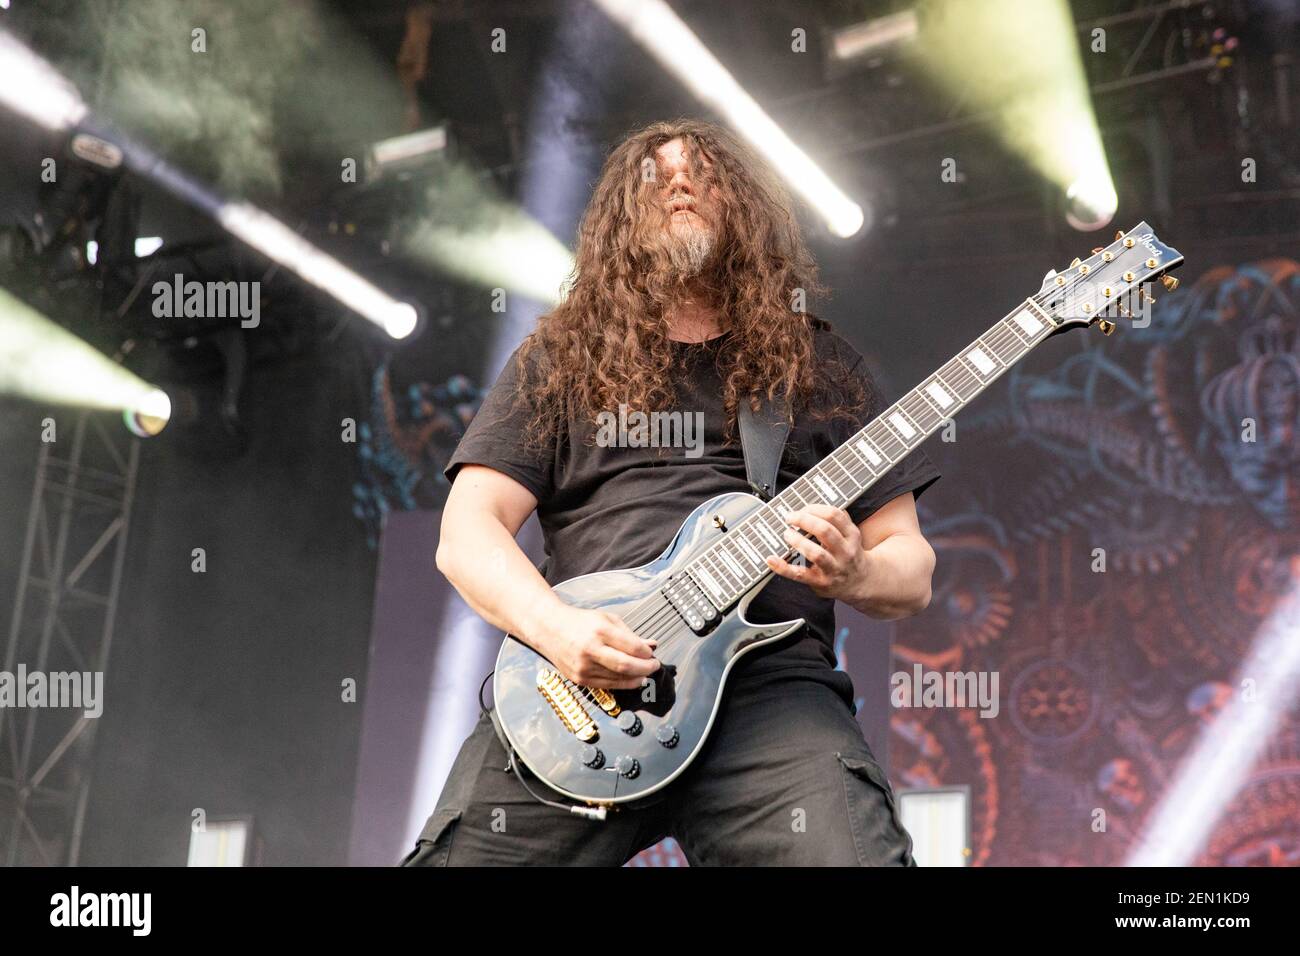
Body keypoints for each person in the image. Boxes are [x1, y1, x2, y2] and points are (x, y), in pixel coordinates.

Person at [401, 119, 941, 866]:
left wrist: (858, 572)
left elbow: (909, 570)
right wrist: (558, 631)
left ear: (745, 206)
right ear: (624, 215)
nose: (680, 182)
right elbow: (468, 532)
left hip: (771, 692)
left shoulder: (818, 362)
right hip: (580, 687)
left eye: (704, 173)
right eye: (656, 175)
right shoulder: (562, 356)